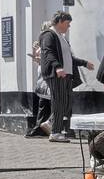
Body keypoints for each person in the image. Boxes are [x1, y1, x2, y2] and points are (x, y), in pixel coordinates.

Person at [39, 11, 92, 143]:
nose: (69, 27)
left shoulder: (61, 37)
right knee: (58, 101)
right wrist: (57, 67)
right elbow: (48, 53)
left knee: (66, 103)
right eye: (68, 23)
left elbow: (69, 58)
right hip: (57, 74)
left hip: (66, 74)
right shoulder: (48, 35)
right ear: (61, 21)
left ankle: (51, 122)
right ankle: (55, 132)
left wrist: (84, 63)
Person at [24, 22, 54, 138]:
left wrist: (37, 56)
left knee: (47, 101)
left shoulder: (50, 41)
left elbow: (46, 59)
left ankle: (47, 127)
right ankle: (41, 127)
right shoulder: (43, 41)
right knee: (43, 101)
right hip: (43, 75)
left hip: (48, 75)